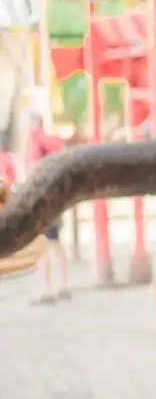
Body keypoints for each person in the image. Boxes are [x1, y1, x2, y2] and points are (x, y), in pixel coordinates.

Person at [25, 112, 74, 304]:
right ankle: (63, 284)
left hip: (43, 202)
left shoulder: (38, 141)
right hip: (54, 201)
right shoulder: (52, 142)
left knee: (43, 244)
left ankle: (48, 288)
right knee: (54, 244)